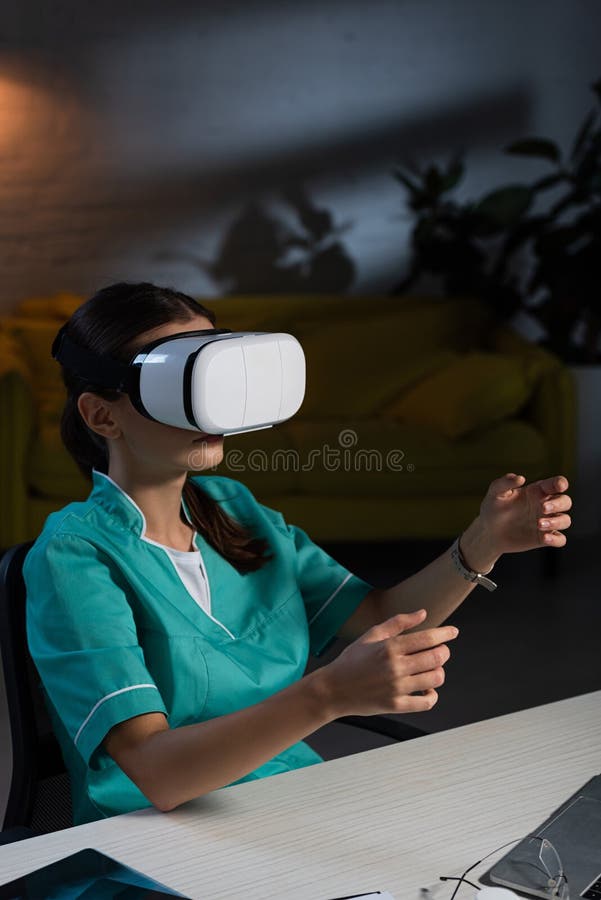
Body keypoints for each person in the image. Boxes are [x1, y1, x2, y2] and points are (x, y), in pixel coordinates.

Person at [24, 282, 572, 826]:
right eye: (179, 383)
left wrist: (485, 540)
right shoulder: (74, 558)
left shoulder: (233, 508)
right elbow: (156, 773)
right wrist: (328, 695)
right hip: (153, 844)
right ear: (102, 416)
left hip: (290, 803)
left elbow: (380, 618)